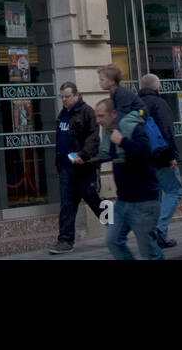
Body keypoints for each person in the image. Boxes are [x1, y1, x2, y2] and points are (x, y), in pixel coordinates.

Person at [94, 96, 163, 259]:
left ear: (113, 114)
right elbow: (109, 156)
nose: (98, 121)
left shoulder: (132, 128)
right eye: (96, 116)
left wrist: (123, 141)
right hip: (123, 201)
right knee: (113, 241)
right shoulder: (110, 134)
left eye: (101, 116)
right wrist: (86, 160)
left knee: (149, 252)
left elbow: (144, 152)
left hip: (144, 201)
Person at [49, 81, 103, 254]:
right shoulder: (63, 113)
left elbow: (94, 138)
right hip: (66, 168)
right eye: (62, 97)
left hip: (84, 168)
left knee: (94, 200)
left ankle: (118, 225)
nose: (64, 100)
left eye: (67, 96)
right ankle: (65, 240)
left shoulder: (87, 112)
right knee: (67, 205)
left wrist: (83, 155)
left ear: (76, 94)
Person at [138, 73, 182, 248]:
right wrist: (171, 156)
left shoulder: (134, 104)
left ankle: (156, 237)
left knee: (155, 196)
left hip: (141, 159)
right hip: (160, 156)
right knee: (175, 190)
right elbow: (166, 131)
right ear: (157, 87)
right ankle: (159, 228)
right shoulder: (159, 103)